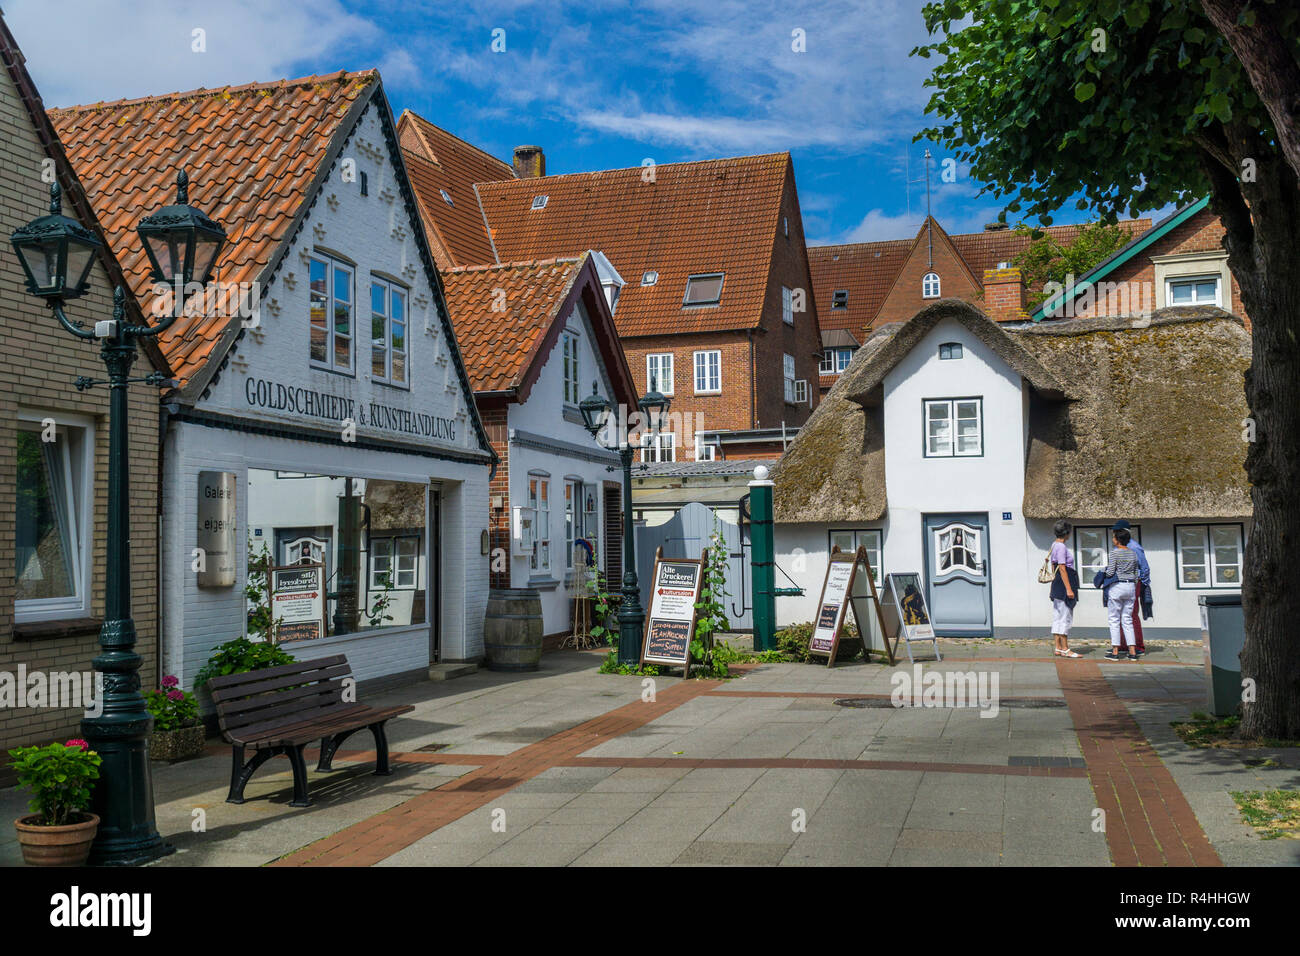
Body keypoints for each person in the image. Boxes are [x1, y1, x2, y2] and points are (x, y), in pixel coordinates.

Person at [1112, 519, 1150, 657]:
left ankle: (1138, 646)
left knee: (1131, 614)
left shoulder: (1134, 547)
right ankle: (1124, 644)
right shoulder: (1119, 547)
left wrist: (1143, 583)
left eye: (1116, 531)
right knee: (1120, 613)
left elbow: (1144, 566)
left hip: (1132, 582)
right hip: (1121, 583)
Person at [1101, 528, 1140, 661]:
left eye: (1114, 537)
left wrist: (1103, 573)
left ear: (1117, 540)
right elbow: (1136, 573)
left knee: (1114, 619)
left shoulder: (1114, 553)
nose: (1113, 539)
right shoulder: (1133, 554)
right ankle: (1132, 651)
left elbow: (1111, 572)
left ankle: (1115, 651)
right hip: (1130, 587)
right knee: (1127, 619)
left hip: (1117, 587)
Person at [1048, 520, 1080, 657]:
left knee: (1057, 616)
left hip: (1057, 583)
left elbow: (1053, 566)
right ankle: (1065, 648)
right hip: (1063, 584)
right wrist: (1069, 589)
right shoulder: (1061, 547)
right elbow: (1062, 567)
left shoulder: (1054, 545)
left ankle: (1058, 647)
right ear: (1066, 533)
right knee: (1065, 616)